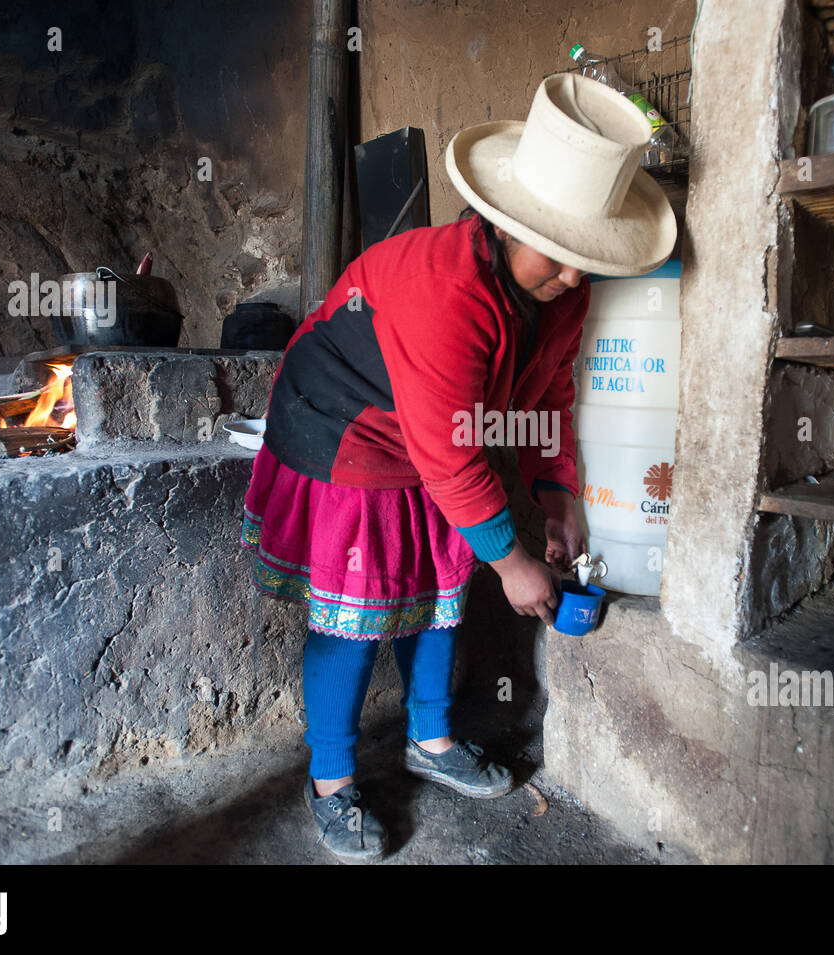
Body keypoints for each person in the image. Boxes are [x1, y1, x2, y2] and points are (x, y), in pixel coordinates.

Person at [240, 72, 676, 862]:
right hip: (342, 425)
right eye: (561, 255)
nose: (575, 277)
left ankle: (430, 739)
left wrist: (555, 491)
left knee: (441, 586)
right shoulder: (443, 290)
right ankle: (332, 779)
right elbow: (450, 453)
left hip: (426, 437)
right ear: (506, 225)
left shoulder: (562, 290)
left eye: (587, 259)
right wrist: (512, 561)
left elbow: (543, 390)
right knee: (356, 605)